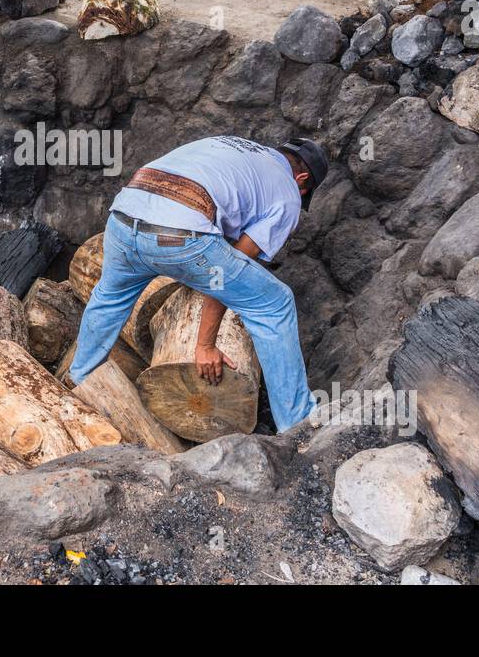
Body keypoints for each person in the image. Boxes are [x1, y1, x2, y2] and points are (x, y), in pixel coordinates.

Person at [67, 135, 329, 434]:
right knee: (274, 303)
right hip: (178, 236)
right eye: (304, 190)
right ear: (302, 178)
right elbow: (224, 278)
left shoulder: (233, 145)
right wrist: (205, 345)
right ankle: (299, 426)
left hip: (123, 218)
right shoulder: (287, 193)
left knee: (110, 298)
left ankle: (78, 381)